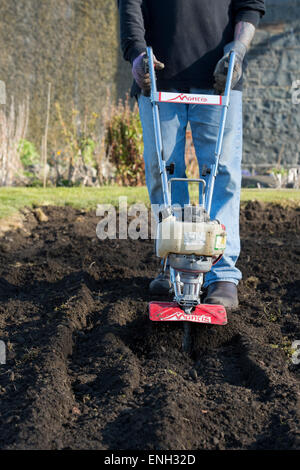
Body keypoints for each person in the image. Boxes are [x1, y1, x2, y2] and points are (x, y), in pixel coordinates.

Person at [118, 0, 266, 309]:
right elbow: (130, 4)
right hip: (157, 76)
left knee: (220, 171)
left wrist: (236, 52)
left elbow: (249, 6)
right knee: (164, 170)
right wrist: (136, 54)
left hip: (220, 75)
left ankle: (222, 273)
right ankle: (177, 261)